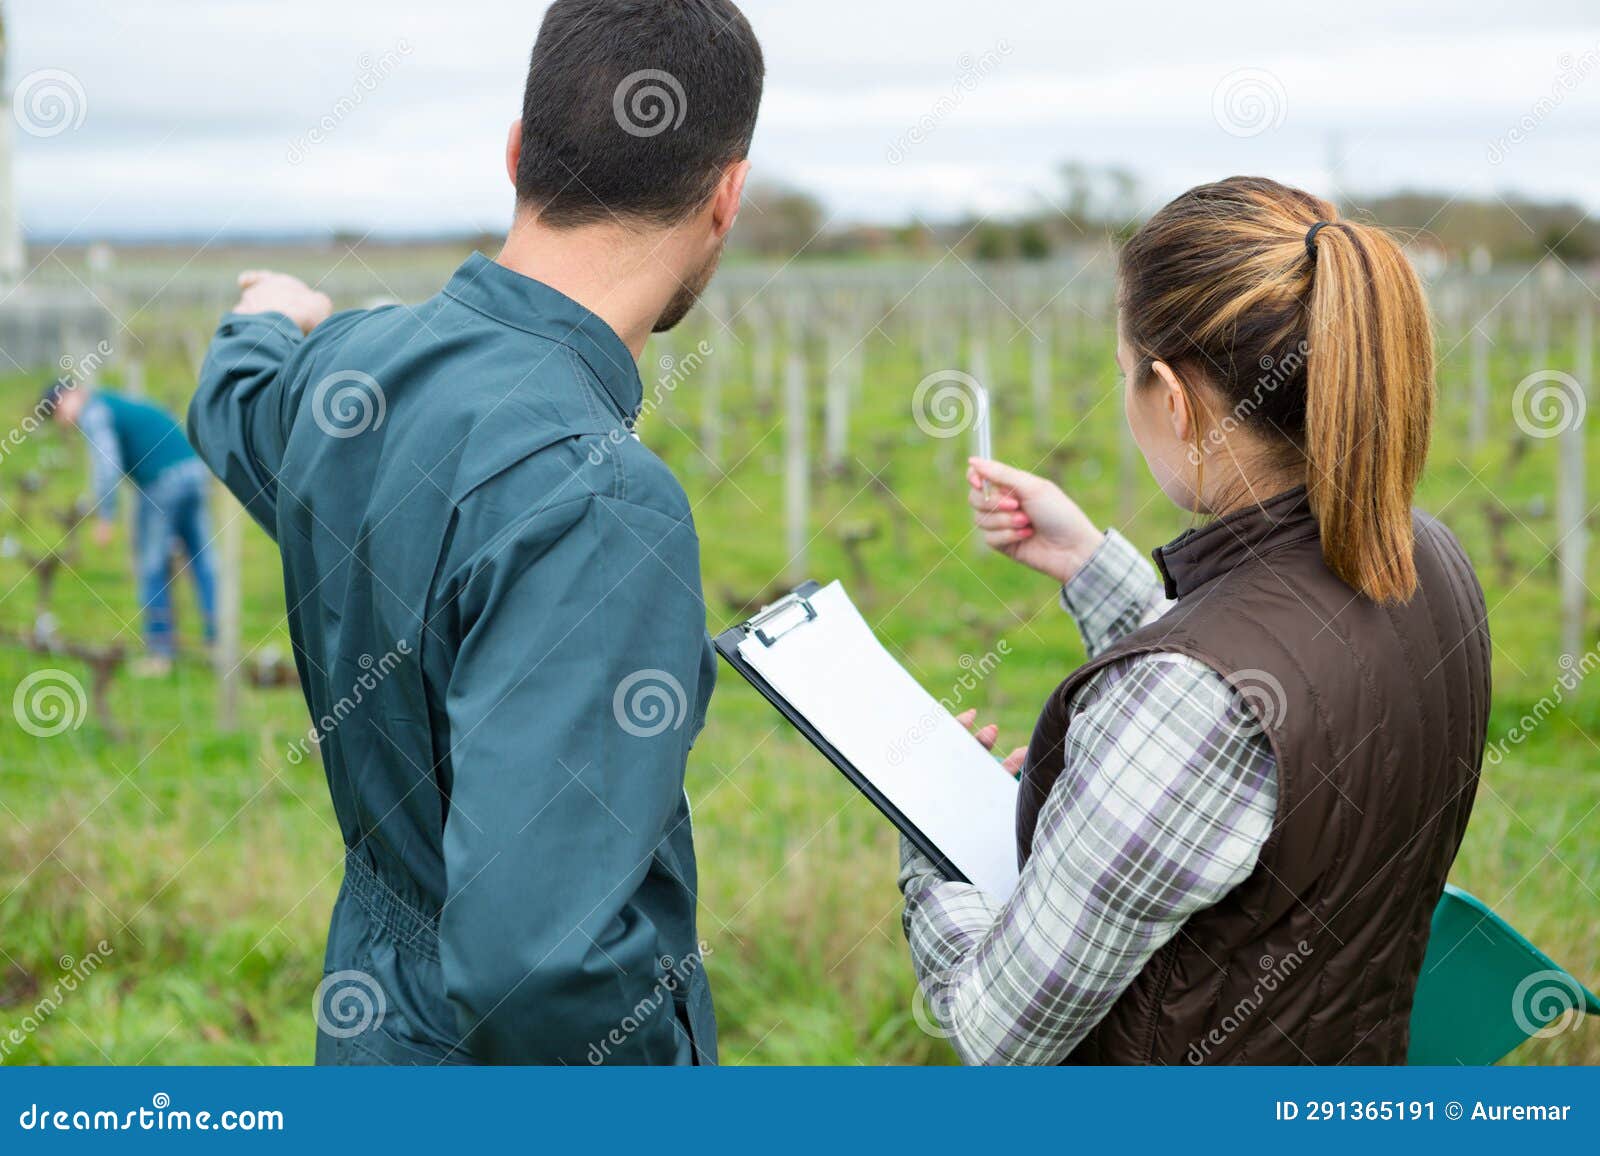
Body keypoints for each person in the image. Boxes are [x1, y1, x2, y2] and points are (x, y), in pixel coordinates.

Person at [187, 0, 763, 1064]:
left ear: (516, 153)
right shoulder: (600, 503)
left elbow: (233, 405)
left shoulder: (349, 375)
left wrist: (270, 316)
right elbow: (535, 965)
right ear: (726, 195)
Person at [900, 176, 1490, 1065]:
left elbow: (998, 1027)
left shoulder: (1188, 701)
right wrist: (1089, 569)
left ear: (1174, 398)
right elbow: (1285, 702)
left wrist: (926, 838)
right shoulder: (1428, 560)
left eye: (1123, 373)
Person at [44, 380, 217, 676]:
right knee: (201, 557)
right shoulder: (115, 400)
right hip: (194, 471)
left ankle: (160, 653)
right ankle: (217, 641)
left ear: (69, 396)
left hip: (161, 482)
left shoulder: (94, 411)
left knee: (151, 565)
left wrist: (106, 516)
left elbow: (107, 463)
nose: (62, 422)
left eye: (57, 412)